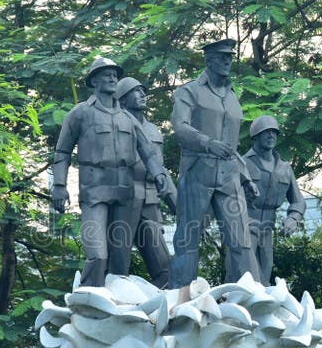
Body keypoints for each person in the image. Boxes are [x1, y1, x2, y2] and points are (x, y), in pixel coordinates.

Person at [51, 57, 172, 287]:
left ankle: (117, 303)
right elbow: (62, 151)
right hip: (94, 191)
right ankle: (88, 298)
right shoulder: (81, 113)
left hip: (124, 194)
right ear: (94, 80)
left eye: (115, 75)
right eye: (106, 74)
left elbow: (147, 151)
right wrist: (59, 185)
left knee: (120, 261)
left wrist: (159, 174)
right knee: (98, 255)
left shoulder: (127, 118)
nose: (112, 78)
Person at [169, 38, 260, 299]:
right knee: (188, 238)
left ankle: (251, 298)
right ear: (209, 60)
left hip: (229, 177)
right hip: (198, 171)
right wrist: (208, 143)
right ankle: (180, 299)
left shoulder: (232, 97)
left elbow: (232, 146)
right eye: (222, 57)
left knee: (241, 238)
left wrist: (246, 177)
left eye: (230, 57)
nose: (228, 61)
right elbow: (180, 128)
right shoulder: (189, 92)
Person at [116, 76, 173, 288]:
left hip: (150, 200)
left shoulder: (153, 130)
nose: (142, 94)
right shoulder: (115, 125)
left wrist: (176, 203)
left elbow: (161, 168)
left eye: (143, 91)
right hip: (123, 199)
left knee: (164, 266)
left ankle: (164, 302)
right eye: (136, 91)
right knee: (116, 262)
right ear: (122, 99)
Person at [243, 115, 306, 285]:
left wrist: (293, 218)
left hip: (267, 230)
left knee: (266, 268)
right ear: (256, 135)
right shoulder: (242, 164)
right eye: (266, 132)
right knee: (247, 272)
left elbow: (298, 201)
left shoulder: (284, 168)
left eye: (274, 132)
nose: (271, 135)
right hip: (244, 227)